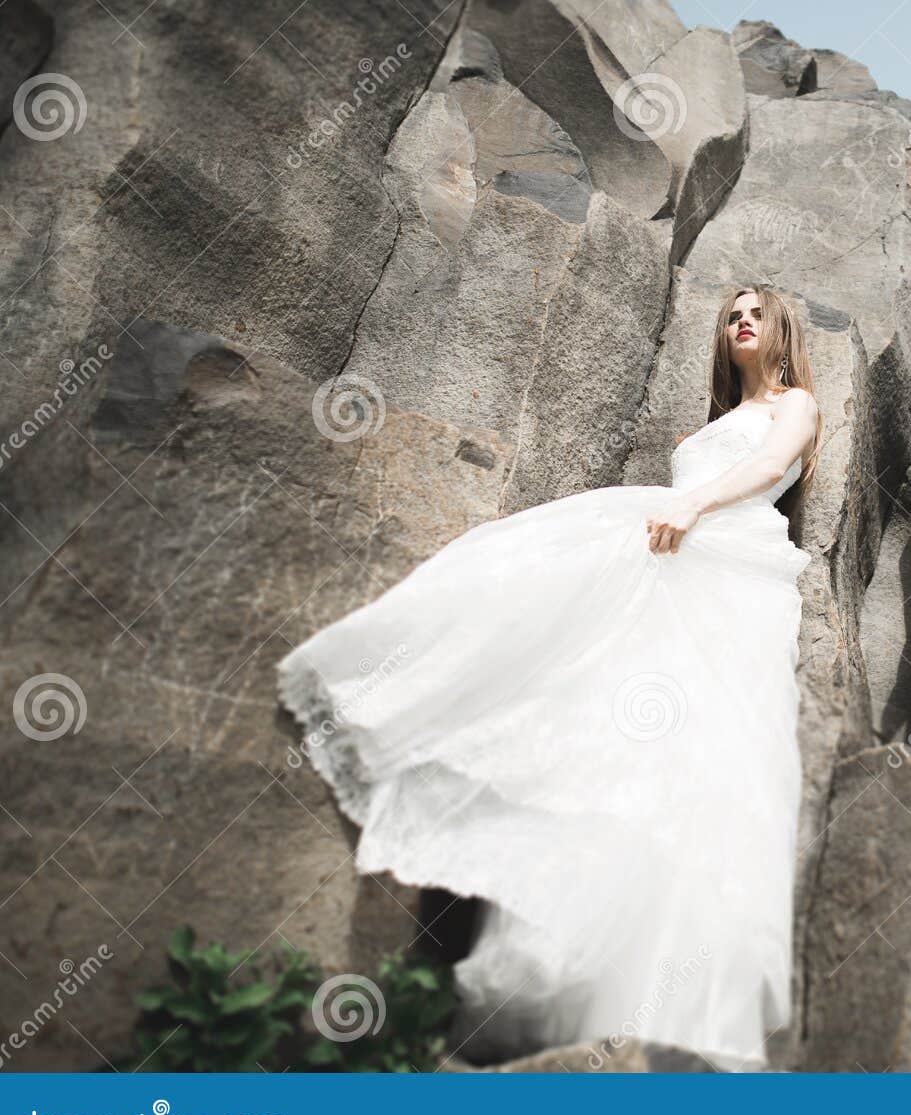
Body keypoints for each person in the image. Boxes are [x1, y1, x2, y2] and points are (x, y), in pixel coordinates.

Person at [276, 284, 822, 1072]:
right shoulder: (706, 424)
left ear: (780, 329)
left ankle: (645, 983)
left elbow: (770, 465)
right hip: (673, 558)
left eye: (756, 312)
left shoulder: (794, 403)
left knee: (691, 756)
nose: (742, 320)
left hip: (727, 571)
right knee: (592, 729)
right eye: (732, 312)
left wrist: (695, 502)